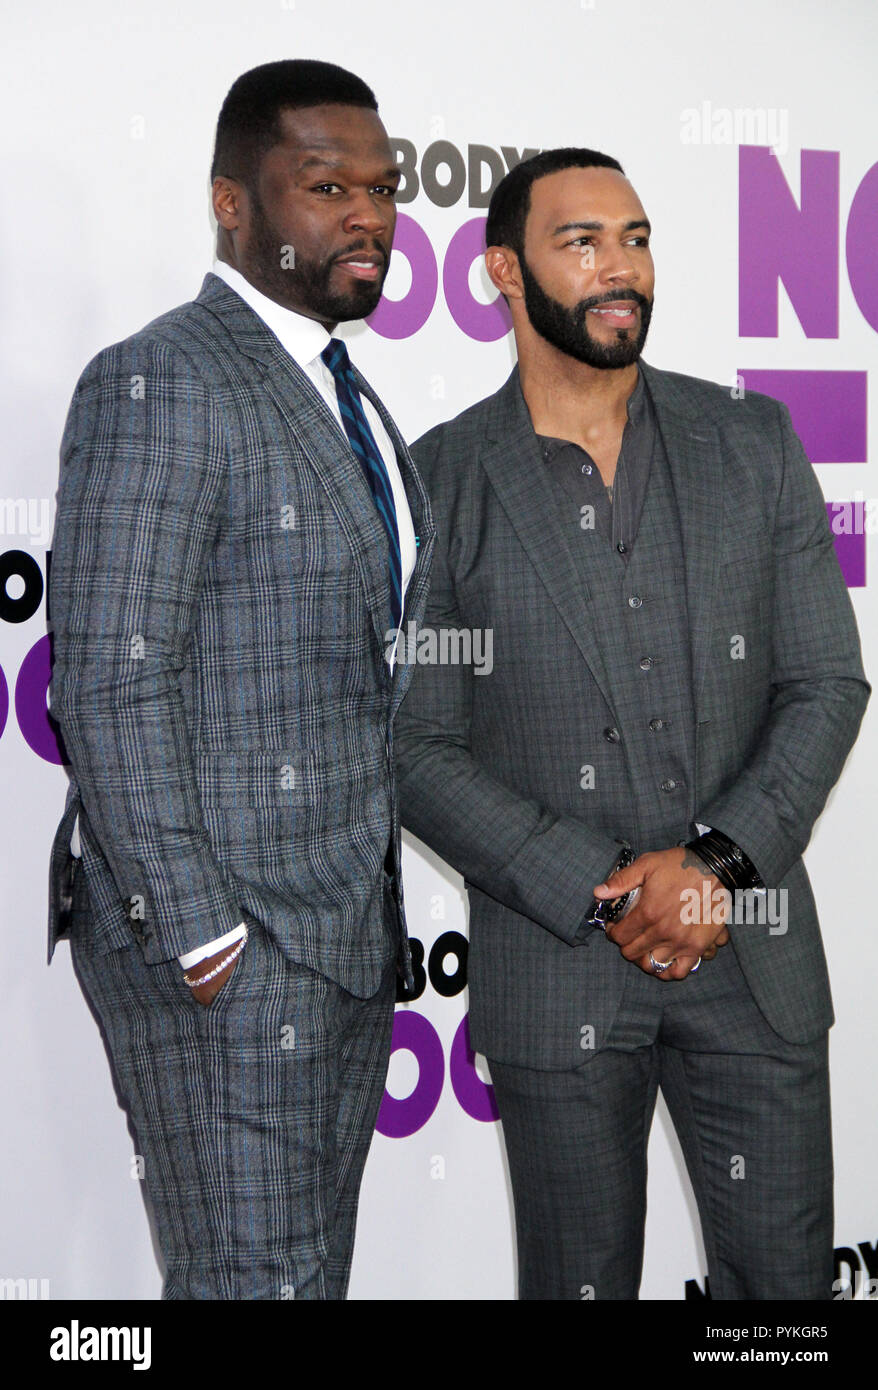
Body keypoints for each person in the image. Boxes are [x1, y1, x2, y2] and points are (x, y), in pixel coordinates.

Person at [395, 147, 869, 1300]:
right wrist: (602, 884)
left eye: (637, 237)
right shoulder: (440, 482)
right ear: (501, 269)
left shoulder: (749, 445)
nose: (622, 268)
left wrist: (713, 864)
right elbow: (414, 747)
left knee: (782, 1308)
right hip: (559, 968)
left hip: (747, 952)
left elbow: (824, 681)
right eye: (582, 242)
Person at [47, 58, 434, 1300]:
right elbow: (110, 682)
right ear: (231, 203)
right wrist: (206, 936)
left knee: (298, 1284)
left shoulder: (347, 391)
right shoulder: (162, 379)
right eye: (326, 187)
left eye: (380, 188)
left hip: (339, 935)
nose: (367, 216)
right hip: (228, 951)